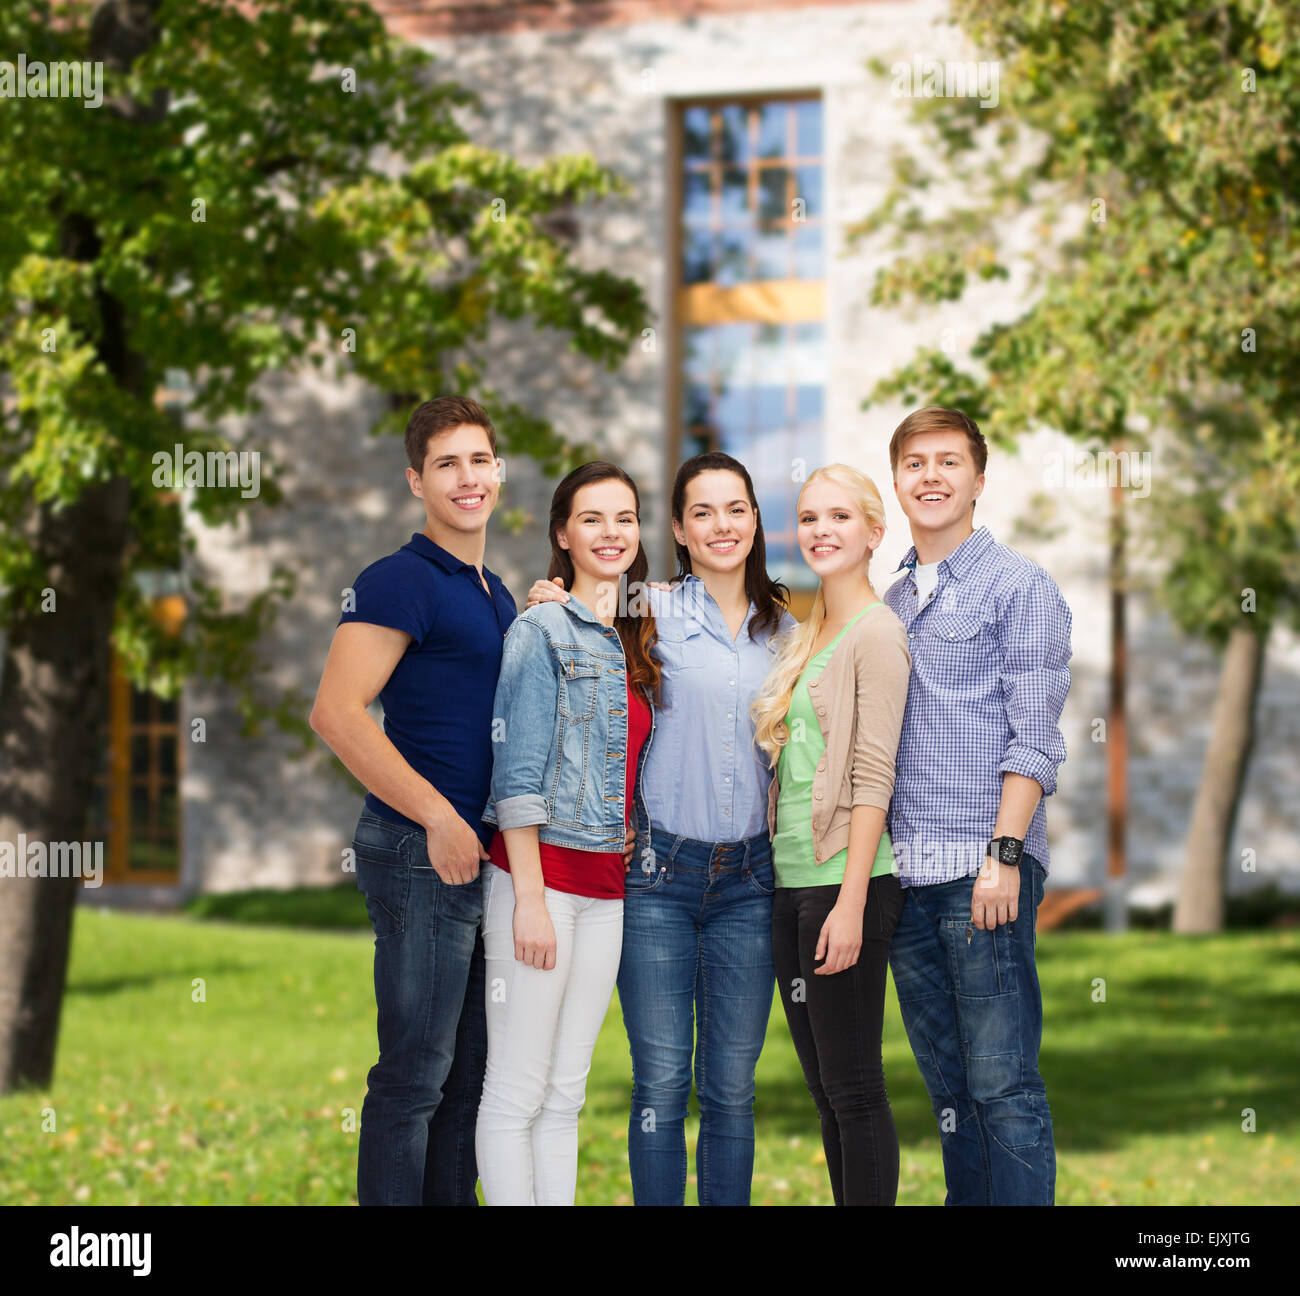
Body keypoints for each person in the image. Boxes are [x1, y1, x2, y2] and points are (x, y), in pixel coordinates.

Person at [529, 451, 796, 1205]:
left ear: (754, 520)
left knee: (731, 1088)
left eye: (736, 509)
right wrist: (546, 596)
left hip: (751, 880)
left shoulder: (787, 631)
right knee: (661, 1079)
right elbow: (569, 619)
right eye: (701, 511)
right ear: (677, 527)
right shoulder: (642, 605)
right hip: (655, 879)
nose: (721, 525)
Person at [308, 396, 515, 1206]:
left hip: (475, 856)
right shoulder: (397, 580)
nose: (467, 478)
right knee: (412, 1080)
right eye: (446, 464)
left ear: (499, 470)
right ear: (415, 482)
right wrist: (438, 817)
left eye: (479, 460)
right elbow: (336, 713)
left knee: (466, 1082)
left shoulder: (492, 590)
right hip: (418, 851)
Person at [883, 406, 1072, 1206]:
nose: (931, 476)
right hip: (906, 876)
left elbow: (1035, 739)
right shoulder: (888, 599)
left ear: (978, 481)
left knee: (1003, 1088)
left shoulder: (1019, 587)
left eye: (949, 462)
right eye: (915, 463)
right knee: (952, 1096)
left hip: (981, 870)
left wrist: (1002, 858)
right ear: (897, 482)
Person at [475, 461, 661, 1206]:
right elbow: (516, 773)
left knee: (565, 1093)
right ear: (563, 534)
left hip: (607, 892)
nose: (611, 533)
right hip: (540, 884)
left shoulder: (638, 640)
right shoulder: (540, 629)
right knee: (516, 1088)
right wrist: (526, 898)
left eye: (625, 517)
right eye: (592, 518)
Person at [751, 462, 912, 1206]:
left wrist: (850, 904)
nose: (822, 531)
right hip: (792, 889)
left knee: (854, 1089)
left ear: (874, 533)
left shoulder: (876, 633)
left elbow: (875, 777)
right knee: (825, 1094)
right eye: (810, 518)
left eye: (840, 518)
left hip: (846, 887)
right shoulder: (810, 631)